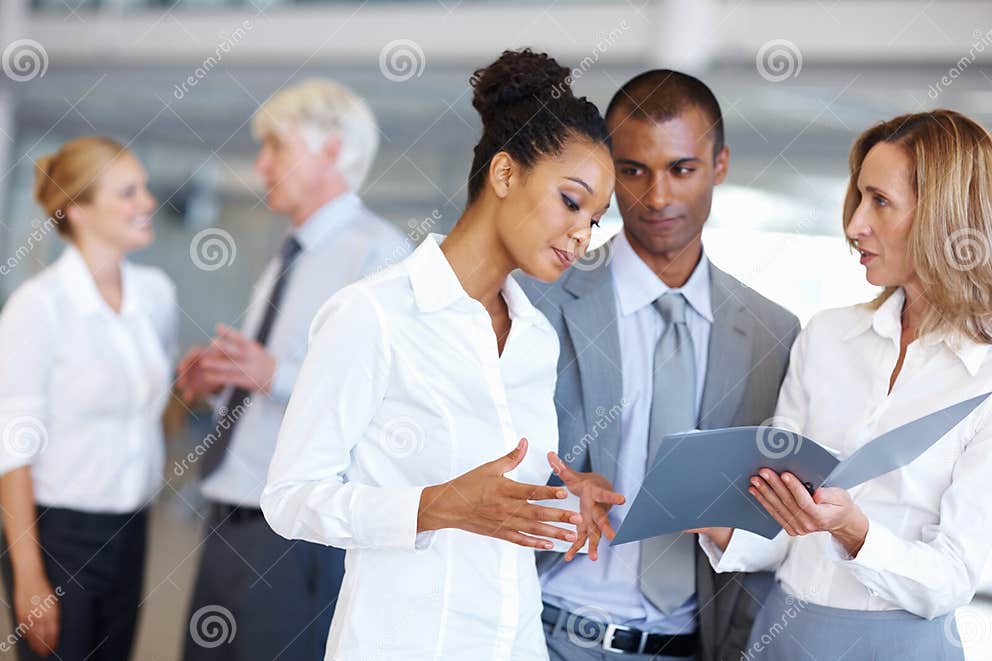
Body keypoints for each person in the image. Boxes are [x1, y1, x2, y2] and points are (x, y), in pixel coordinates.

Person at [260, 49, 625, 660]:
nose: (583, 234)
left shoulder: (536, 337)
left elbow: (499, 503)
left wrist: (565, 501)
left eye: (595, 218)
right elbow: (290, 498)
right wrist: (430, 508)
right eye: (571, 201)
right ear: (505, 175)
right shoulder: (373, 315)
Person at [521, 70, 800, 661]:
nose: (657, 197)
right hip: (541, 634)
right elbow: (473, 459)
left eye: (682, 169)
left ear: (719, 165)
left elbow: (779, 512)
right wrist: (560, 498)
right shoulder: (536, 299)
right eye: (633, 170)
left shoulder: (774, 335)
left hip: (690, 646)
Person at [695, 109, 992, 660]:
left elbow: (953, 578)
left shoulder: (985, 377)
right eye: (858, 198)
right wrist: (718, 525)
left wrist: (856, 532)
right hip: (785, 634)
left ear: (944, 216)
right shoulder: (827, 337)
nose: (855, 224)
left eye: (880, 201)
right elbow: (785, 525)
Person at [177, 79, 411, 661]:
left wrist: (271, 373)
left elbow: (383, 397)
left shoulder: (378, 253)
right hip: (227, 513)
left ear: (331, 151)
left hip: (292, 534)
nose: (261, 164)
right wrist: (220, 381)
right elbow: (272, 385)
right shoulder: (291, 251)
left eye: (277, 147)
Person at [0, 137, 177, 660]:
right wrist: (28, 577)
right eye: (127, 193)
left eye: (143, 189)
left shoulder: (157, 294)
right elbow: (13, 451)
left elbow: (146, 399)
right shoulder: (39, 307)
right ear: (76, 209)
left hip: (132, 529)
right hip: (58, 536)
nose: (147, 203)